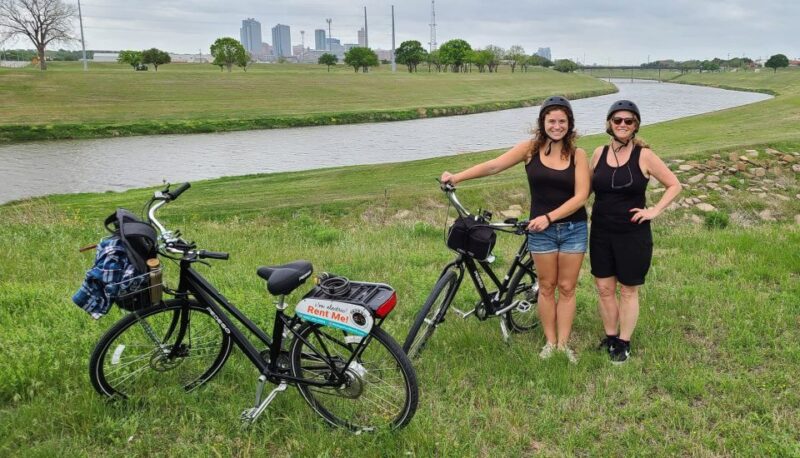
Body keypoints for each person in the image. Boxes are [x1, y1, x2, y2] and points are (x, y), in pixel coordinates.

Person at [441, 96, 590, 363]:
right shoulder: (530, 149)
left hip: (572, 228)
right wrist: (457, 176)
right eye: (551, 121)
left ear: (570, 124)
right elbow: (495, 165)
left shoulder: (578, 155)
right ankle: (550, 342)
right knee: (546, 287)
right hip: (540, 231)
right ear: (543, 123)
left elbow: (581, 197)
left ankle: (563, 345)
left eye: (562, 121)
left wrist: (549, 217)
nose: (557, 126)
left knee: (567, 288)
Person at [590, 100, 681, 364]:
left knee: (628, 290)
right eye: (617, 120)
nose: (622, 125)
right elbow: (584, 189)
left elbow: (674, 185)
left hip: (632, 233)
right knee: (605, 288)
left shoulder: (644, 155)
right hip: (601, 231)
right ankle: (610, 336)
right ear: (609, 123)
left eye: (628, 121)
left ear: (636, 125)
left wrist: (653, 211)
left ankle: (623, 342)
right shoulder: (598, 153)